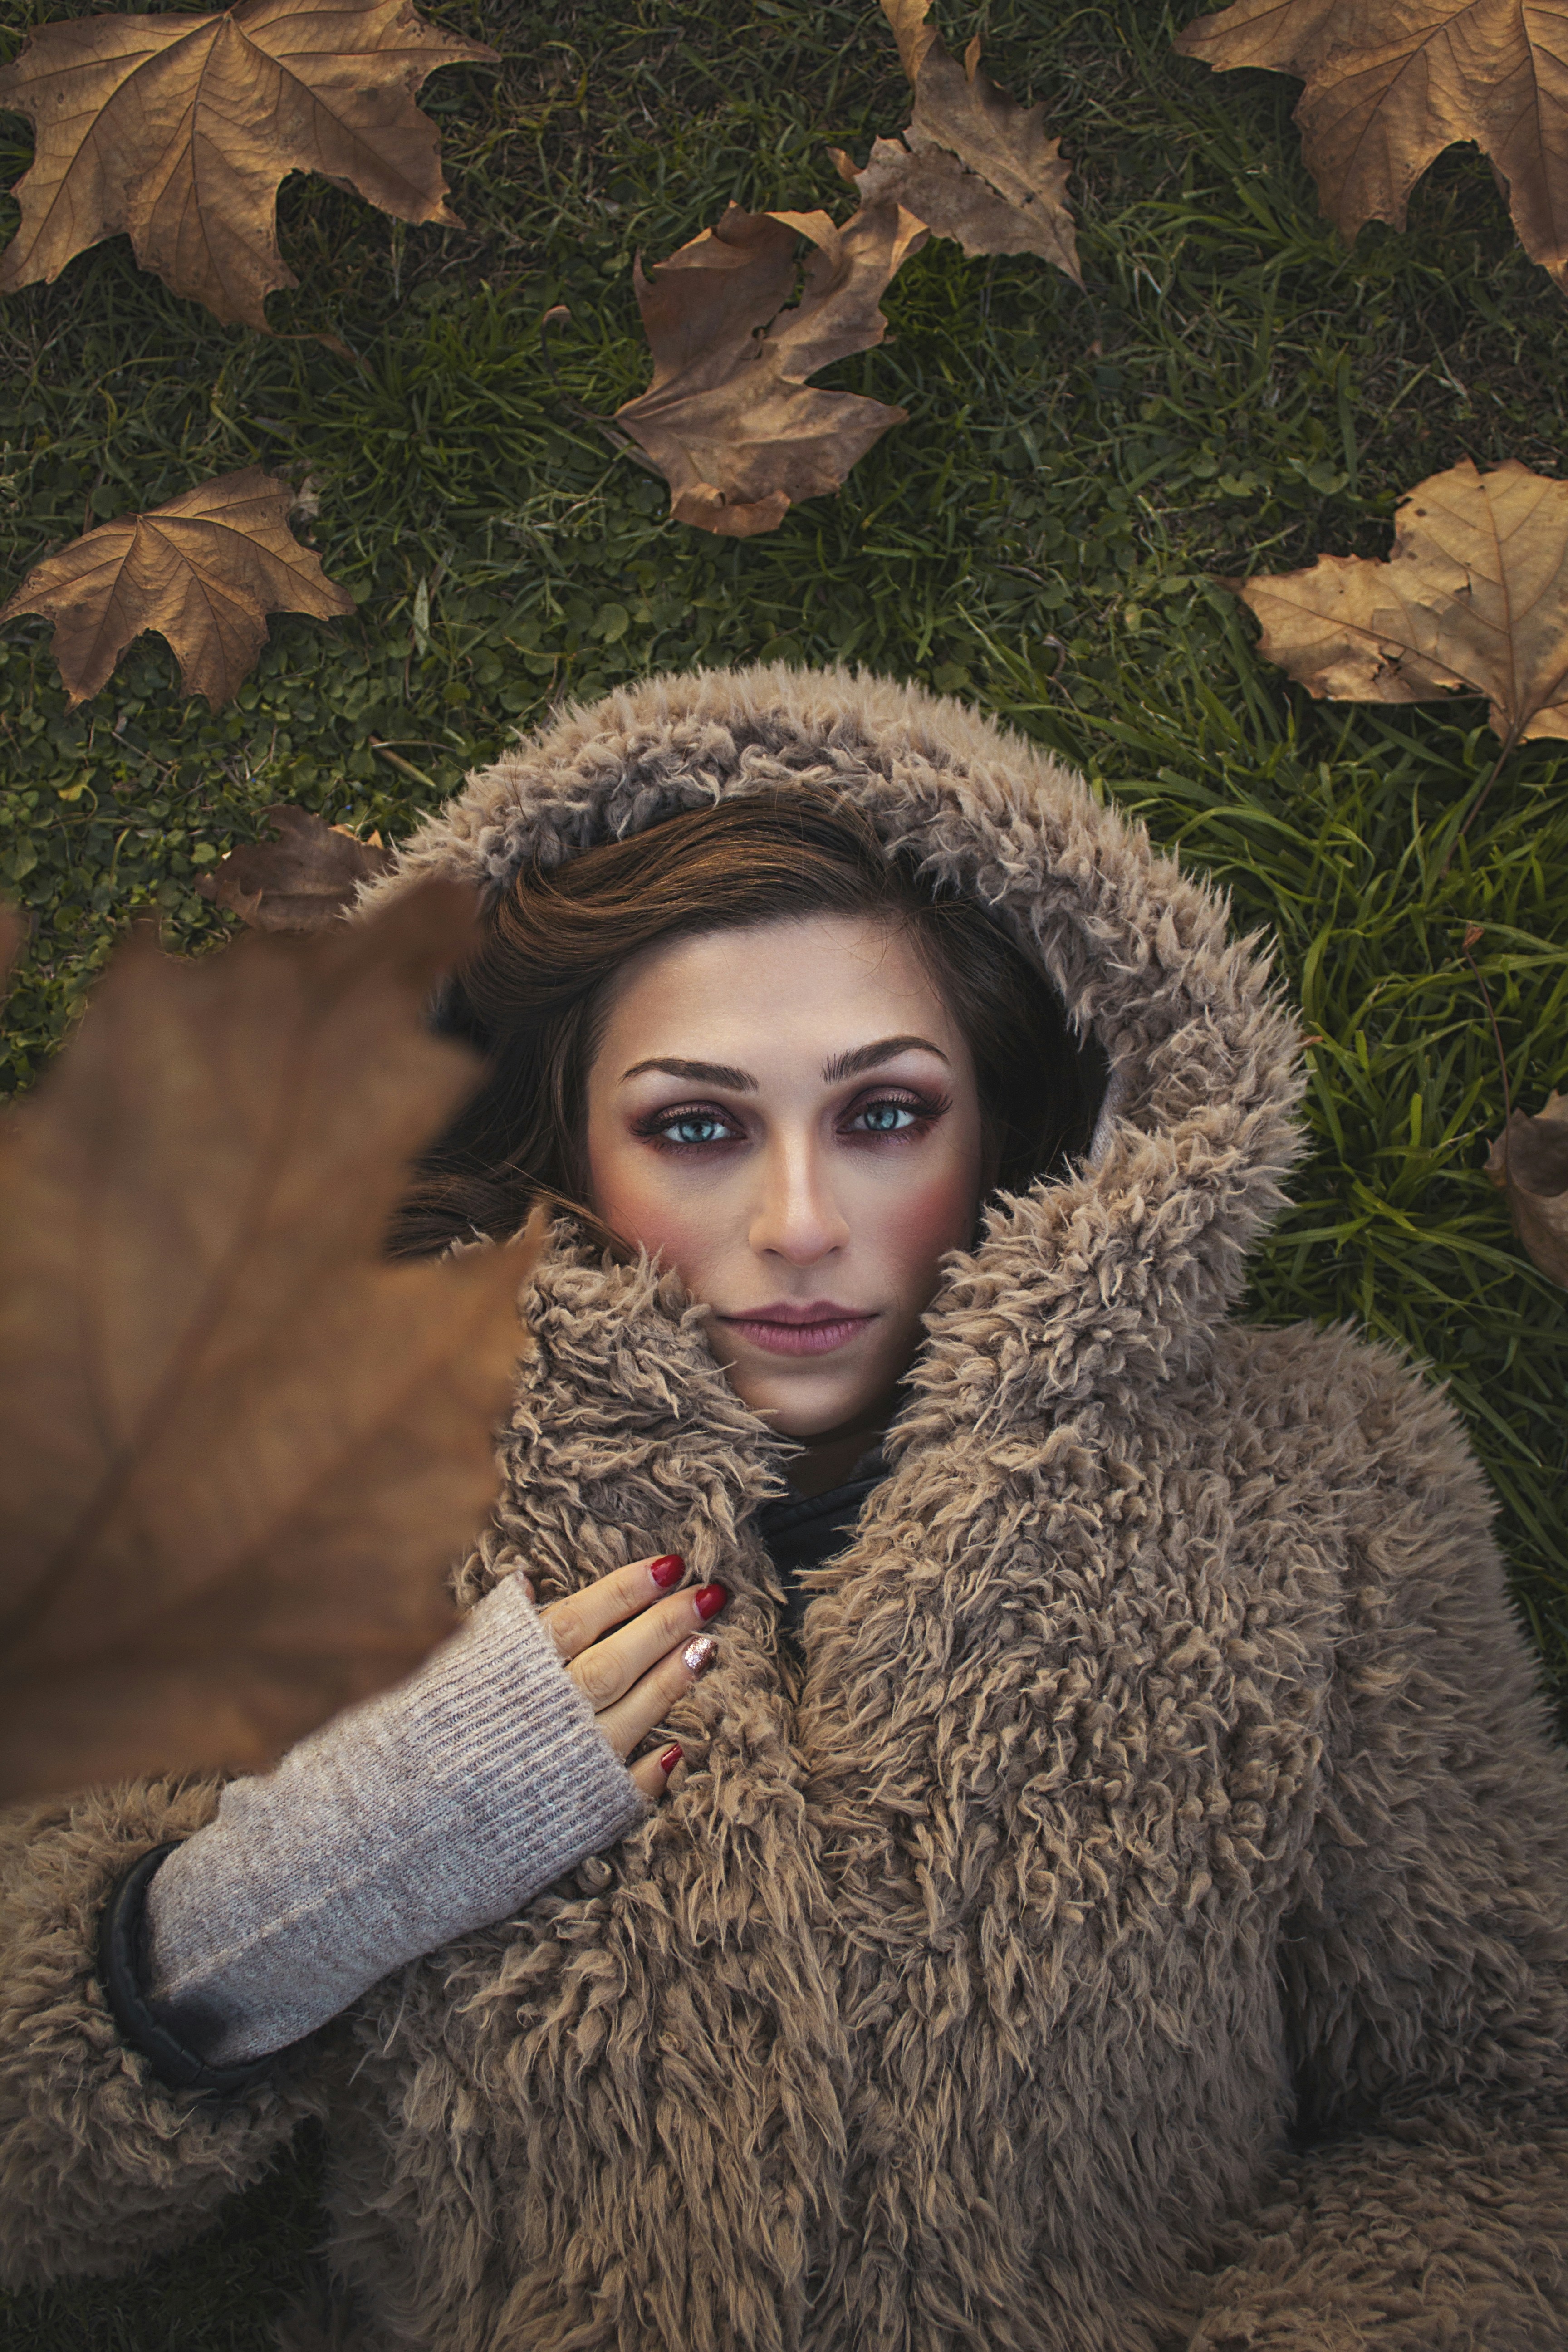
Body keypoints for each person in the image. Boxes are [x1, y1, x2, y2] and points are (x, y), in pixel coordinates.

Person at [2, 661, 1566, 2352]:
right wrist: (314, 1883)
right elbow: (33, 2182)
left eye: (886, 1113)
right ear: (563, 1148)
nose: (803, 1220)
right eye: (696, 1127)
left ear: (1011, 1129)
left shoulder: (1324, 1485)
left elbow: (1503, 2108)